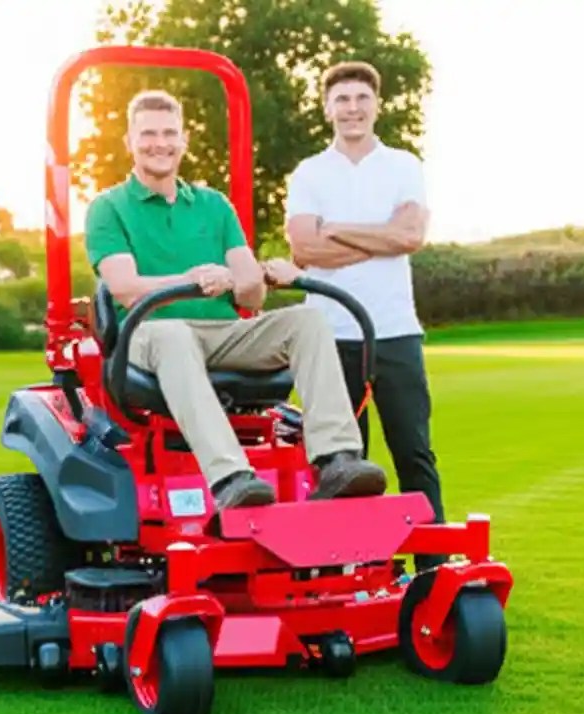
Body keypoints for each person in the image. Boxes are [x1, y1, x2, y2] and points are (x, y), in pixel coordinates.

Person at [83, 88, 388, 511]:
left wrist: (251, 280)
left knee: (308, 321)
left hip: (223, 331)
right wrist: (188, 279)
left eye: (169, 133)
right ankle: (231, 476)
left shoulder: (214, 205)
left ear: (183, 140)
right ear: (130, 142)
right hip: (147, 333)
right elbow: (124, 286)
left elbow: (250, 291)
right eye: (148, 134)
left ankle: (337, 459)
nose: (160, 143)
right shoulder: (108, 207)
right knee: (173, 336)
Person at [284, 61, 447, 565]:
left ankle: (433, 566)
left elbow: (410, 237)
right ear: (327, 107)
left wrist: (334, 229)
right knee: (343, 462)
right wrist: (376, 235)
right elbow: (303, 250)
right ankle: (355, 566)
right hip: (328, 335)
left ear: (376, 105)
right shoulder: (310, 172)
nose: (352, 109)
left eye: (361, 99)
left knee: (413, 452)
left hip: (394, 331)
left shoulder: (403, 165)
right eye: (342, 100)